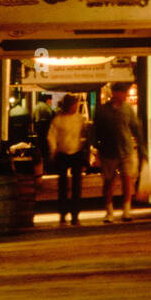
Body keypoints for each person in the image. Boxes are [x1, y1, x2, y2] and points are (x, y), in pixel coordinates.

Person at [93, 82, 147, 223]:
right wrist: (95, 148)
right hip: (108, 151)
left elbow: (136, 128)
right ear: (114, 93)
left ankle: (126, 211)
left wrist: (142, 147)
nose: (124, 96)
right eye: (122, 92)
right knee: (109, 181)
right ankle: (109, 212)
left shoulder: (128, 109)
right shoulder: (102, 110)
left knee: (127, 179)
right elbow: (95, 130)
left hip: (126, 150)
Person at [47, 94, 87, 226]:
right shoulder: (58, 120)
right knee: (63, 185)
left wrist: (83, 148)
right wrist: (54, 149)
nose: (75, 107)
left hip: (76, 152)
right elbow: (51, 136)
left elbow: (83, 135)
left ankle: (75, 214)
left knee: (76, 185)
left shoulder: (79, 119)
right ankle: (63, 213)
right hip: (63, 153)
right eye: (73, 105)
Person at [32, 92, 54, 171]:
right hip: (46, 129)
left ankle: (40, 163)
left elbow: (33, 118)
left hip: (38, 129)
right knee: (46, 148)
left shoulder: (36, 107)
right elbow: (51, 117)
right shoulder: (47, 107)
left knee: (40, 147)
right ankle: (47, 166)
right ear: (47, 100)